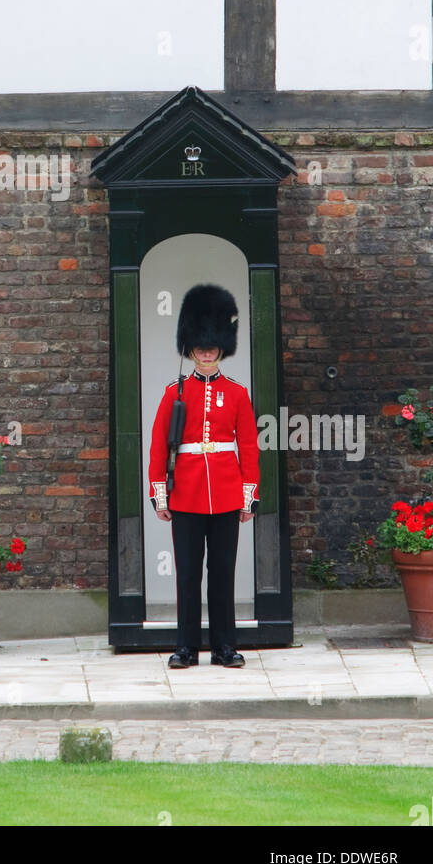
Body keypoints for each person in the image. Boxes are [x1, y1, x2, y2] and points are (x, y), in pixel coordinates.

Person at [148, 284, 260, 668]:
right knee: (187, 576)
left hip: (227, 495)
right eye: (200, 345)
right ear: (191, 347)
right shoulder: (173, 393)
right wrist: (160, 495)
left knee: (222, 575)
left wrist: (248, 496)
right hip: (187, 495)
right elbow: (159, 447)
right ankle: (186, 647)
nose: (207, 351)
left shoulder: (237, 394)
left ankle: (224, 646)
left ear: (220, 347)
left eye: (212, 345)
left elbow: (247, 447)